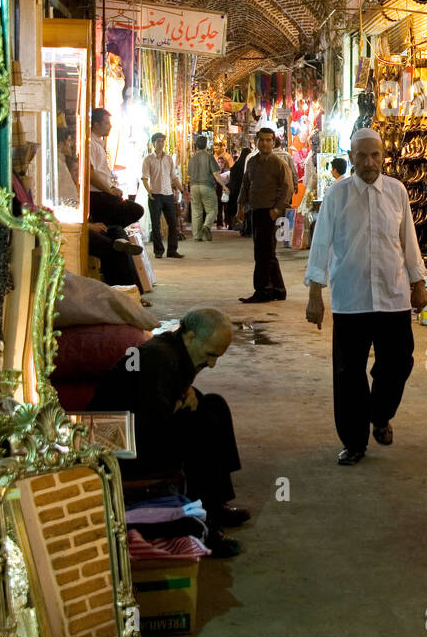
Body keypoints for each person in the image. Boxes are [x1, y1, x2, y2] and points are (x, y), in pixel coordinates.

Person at [304, 127, 427, 465]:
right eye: (361, 156)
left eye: (375, 155)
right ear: (351, 158)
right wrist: (315, 292)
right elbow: (321, 244)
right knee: (348, 373)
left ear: (383, 156)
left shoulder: (397, 191)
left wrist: (419, 283)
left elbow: (408, 240)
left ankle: (380, 414)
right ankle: (354, 442)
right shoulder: (337, 195)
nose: (369, 162)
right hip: (351, 298)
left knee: (400, 362)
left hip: (392, 295)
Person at [88, 308, 248, 557]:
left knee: (213, 404)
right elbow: (153, 421)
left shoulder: (175, 350)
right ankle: (206, 527)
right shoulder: (158, 358)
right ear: (191, 336)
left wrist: (187, 393)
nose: (213, 364)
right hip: (118, 447)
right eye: (210, 354)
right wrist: (183, 400)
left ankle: (217, 503)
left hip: (138, 432)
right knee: (201, 426)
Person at [236, 127, 291, 303]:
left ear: (273, 142)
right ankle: (278, 289)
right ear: (257, 142)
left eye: (269, 140)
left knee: (262, 254)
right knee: (267, 252)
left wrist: (277, 209)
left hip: (270, 212)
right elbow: (245, 185)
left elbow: (287, 188)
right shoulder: (252, 163)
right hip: (256, 211)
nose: (265, 143)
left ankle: (262, 290)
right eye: (262, 140)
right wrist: (240, 206)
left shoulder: (278, 163)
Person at [88, 108, 145, 229]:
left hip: (104, 192)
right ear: (96, 124)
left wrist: (112, 188)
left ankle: (114, 234)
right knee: (135, 210)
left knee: (124, 217)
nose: (110, 126)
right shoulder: (90, 144)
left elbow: (102, 172)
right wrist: (109, 191)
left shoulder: (98, 143)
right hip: (97, 194)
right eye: (106, 123)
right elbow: (90, 173)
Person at [141, 132, 183, 259]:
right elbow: (144, 177)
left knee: (172, 223)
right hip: (155, 195)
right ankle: (158, 250)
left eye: (162, 141)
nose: (161, 143)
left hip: (168, 194)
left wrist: (182, 190)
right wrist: (149, 191)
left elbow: (174, 177)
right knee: (156, 224)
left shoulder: (169, 159)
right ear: (153, 143)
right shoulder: (148, 159)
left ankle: (172, 250)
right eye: (158, 141)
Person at [187, 133, 221, 242]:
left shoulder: (192, 159)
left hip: (193, 186)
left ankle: (197, 236)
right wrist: (224, 186)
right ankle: (206, 226)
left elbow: (189, 176)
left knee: (196, 211)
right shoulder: (209, 157)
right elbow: (216, 174)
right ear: (206, 145)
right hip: (207, 186)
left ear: (196, 146)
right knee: (212, 209)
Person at [227, 143, 250, 230]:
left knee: (233, 207)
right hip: (243, 189)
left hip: (234, 189)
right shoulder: (248, 165)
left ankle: (232, 224)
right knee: (245, 208)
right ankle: (244, 225)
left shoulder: (236, 165)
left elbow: (232, 175)